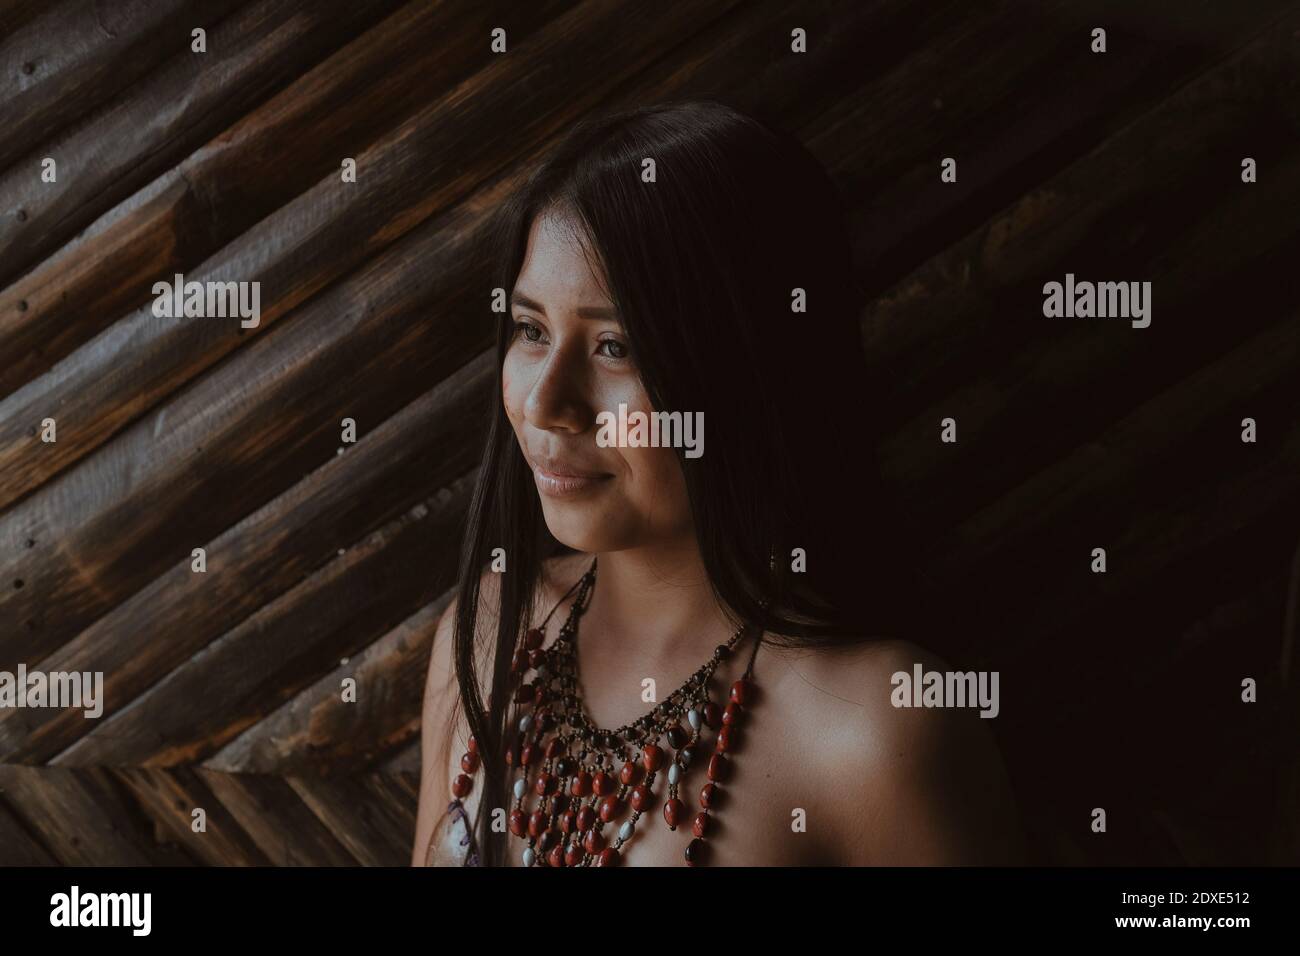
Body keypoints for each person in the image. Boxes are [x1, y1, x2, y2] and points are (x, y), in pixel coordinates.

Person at [412, 99, 1028, 867]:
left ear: (749, 371)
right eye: (532, 330)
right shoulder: (486, 631)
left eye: (615, 347)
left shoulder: (879, 728)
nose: (545, 403)